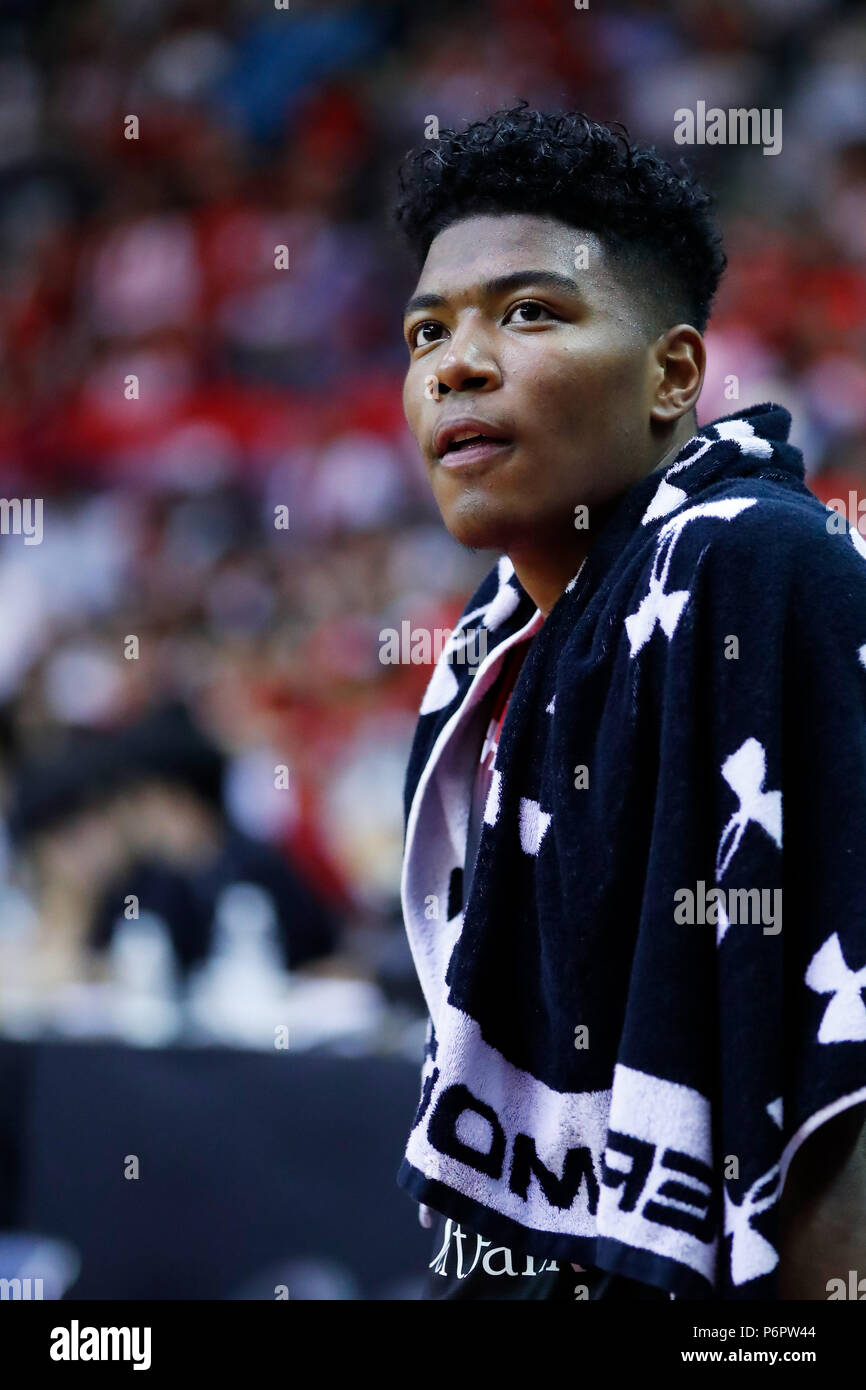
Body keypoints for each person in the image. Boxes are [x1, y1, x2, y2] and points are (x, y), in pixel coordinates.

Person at [389, 103, 866, 1300]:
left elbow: (841, 1054)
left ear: (672, 375)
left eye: (529, 312)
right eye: (425, 331)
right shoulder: (481, 662)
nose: (456, 363)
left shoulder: (760, 564)